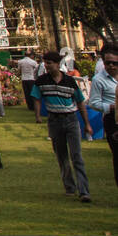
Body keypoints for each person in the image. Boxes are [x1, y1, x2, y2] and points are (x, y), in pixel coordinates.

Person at [31, 51, 92, 203]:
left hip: (71, 120)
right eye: (45, 63)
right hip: (54, 121)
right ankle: (70, 187)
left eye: (49, 63)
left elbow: (80, 103)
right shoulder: (41, 81)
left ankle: (84, 191)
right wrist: (38, 115)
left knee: (76, 156)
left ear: (58, 64)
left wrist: (87, 124)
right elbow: (36, 98)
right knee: (62, 155)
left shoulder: (69, 81)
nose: (46, 66)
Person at [89, 45, 117, 191]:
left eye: (114, 63)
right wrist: (112, 106)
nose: (111, 66)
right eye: (108, 63)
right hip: (112, 119)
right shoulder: (98, 79)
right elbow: (93, 103)